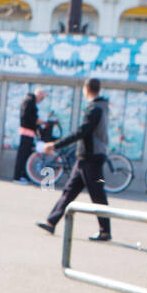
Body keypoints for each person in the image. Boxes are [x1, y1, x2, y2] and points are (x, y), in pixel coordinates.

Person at [35, 77, 111, 241]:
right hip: (85, 158)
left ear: (86, 89)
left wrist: (55, 145)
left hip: (91, 158)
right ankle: (51, 221)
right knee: (69, 192)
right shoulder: (101, 107)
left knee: (97, 195)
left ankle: (105, 231)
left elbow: (81, 132)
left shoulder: (95, 109)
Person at [13, 86, 47, 182]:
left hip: (29, 133)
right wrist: (36, 121)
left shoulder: (30, 102)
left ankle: (24, 175)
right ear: (39, 95)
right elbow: (26, 117)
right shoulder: (29, 102)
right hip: (26, 132)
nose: (42, 100)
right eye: (42, 97)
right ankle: (17, 176)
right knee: (23, 155)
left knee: (27, 155)